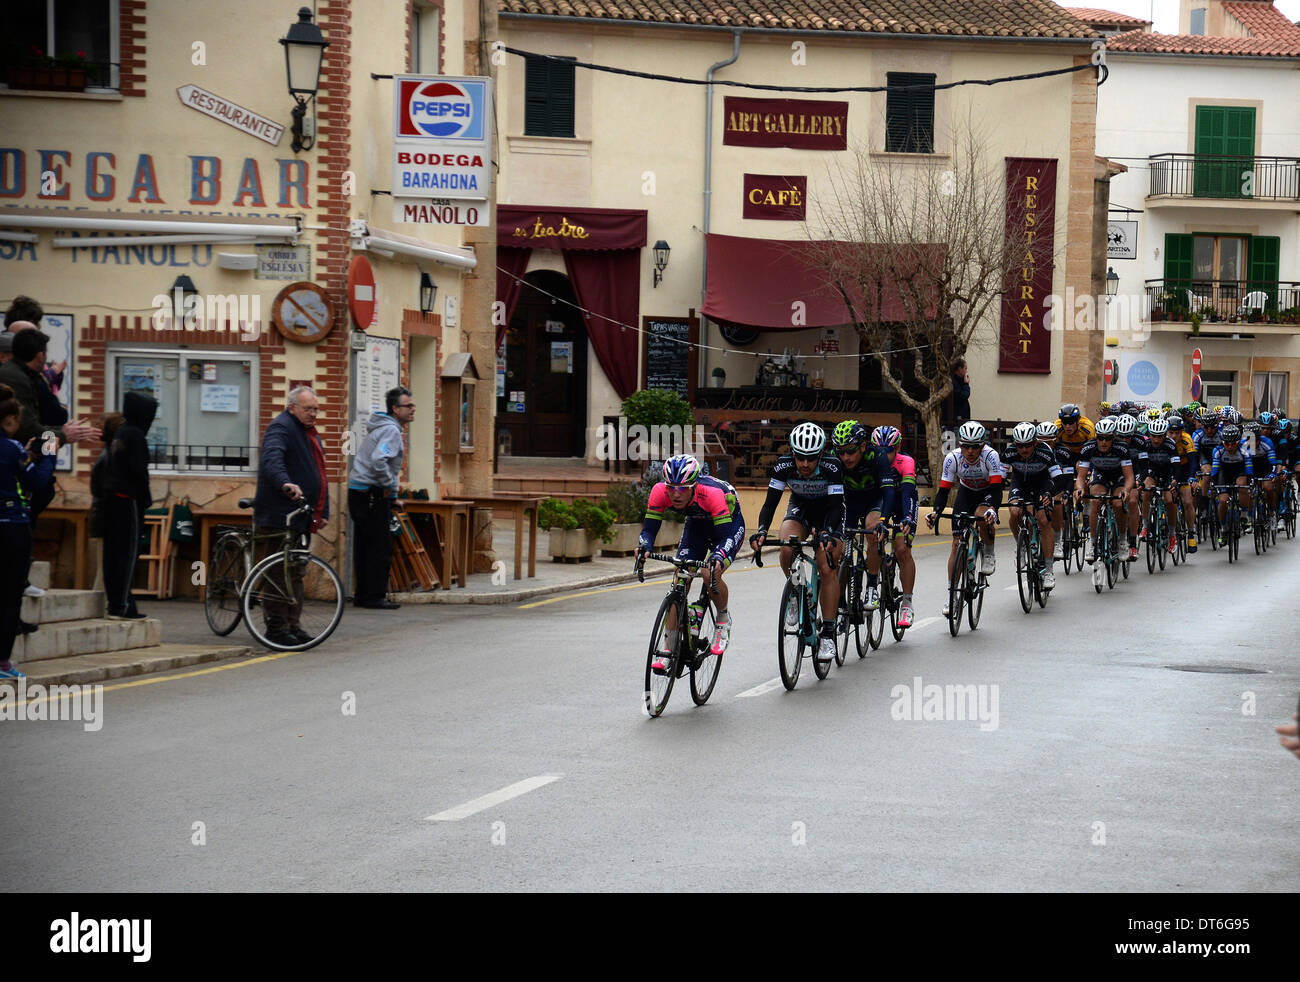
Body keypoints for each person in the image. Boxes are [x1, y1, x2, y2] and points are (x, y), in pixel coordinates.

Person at [636, 454, 746, 666]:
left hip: (727, 525)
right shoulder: (660, 491)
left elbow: (723, 536)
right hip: (696, 525)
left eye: (683, 488)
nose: (675, 494)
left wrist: (716, 557)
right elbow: (649, 530)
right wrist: (644, 547)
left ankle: (723, 619)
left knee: (709, 572)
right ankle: (668, 648)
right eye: (671, 487)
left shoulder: (712, 494)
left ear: (694, 486)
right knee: (680, 578)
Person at [751, 422, 846, 664]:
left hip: (829, 511)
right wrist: (761, 531)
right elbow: (770, 504)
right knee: (785, 547)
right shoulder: (783, 465)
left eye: (811, 458)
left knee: (826, 566)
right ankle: (796, 593)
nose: (805, 464)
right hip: (801, 506)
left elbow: (836, 507)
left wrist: (826, 532)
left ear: (821, 454)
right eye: (800, 458)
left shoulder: (832, 466)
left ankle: (827, 633)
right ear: (793, 453)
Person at [252, 386, 330, 648]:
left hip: (301, 514)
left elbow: (320, 473)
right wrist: (285, 483)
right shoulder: (281, 428)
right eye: (308, 409)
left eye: (316, 409)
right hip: (279, 514)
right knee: (277, 571)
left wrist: (324, 510)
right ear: (292, 407)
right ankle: (276, 626)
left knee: (296, 571)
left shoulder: (309, 434)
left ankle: (292, 625)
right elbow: (272, 460)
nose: (313, 414)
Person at [0, 327, 99, 525]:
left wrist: (57, 437)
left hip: (36, 450)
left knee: (44, 488)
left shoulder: (30, 376)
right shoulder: (16, 378)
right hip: (13, 507)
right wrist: (61, 436)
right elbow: (29, 428)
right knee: (42, 487)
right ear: (39, 355)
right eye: (45, 353)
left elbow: (52, 414)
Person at [1, 383, 56, 679]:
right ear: (9, 421)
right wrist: (47, 455)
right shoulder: (12, 449)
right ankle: (3, 663)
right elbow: (36, 482)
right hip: (12, 525)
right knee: (9, 595)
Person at [926, 420, 1002, 618]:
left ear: (982, 445)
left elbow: (996, 489)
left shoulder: (991, 456)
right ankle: (952, 595)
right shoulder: (952, 458)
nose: (970, 451)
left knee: (982, 515)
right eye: (966, 446)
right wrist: (936, 512)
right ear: (960, 445)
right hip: (966, 493)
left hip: (986, 493)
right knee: (956, 543)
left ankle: (989, 553)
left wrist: (992, 509)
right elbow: (943, 490)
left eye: (975, 446)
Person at [348, 386, 415, 610]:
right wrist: (387, 488)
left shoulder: (386, 427)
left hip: (363, 490)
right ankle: (373, 597)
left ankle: (364, 595)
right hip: (369, 492)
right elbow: (379, 461)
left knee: (366, 545)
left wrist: (393, 495)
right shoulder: (391, 431)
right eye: (408, 406)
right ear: (396, 409)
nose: (413, 409)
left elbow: (389, 466)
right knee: (378, 547)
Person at [101, 392, 157, 619]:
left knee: (113, 553)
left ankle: (116, 601)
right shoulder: (135, 436)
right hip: (128, 500)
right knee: (128, 553)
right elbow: (138, 472)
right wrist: (146, 498)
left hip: (112, 498)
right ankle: (123, 605)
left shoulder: (120, 433)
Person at [832, 420, 894, 612]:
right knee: (840, 552)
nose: (845, 457)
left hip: (874, 501)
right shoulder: (834, 459)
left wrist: (883, 521)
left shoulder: (877, 456)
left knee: (872, 530)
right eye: (841, 452)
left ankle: (872, 586)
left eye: (850, 451)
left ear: (863, 446)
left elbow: (889, 492)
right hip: (848, 504)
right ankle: (840, 603)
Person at [1003, 421, 1060, 590]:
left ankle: (1048, 569)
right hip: (1020, 483)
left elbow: (1058, 479)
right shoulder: (1009, 452)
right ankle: (1020, 547)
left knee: (1043, 519)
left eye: (1028, 445)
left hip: (1042, 483)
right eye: (1020, 446)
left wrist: (1049, 493)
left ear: (1035, 443)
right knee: (1014, 512)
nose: (1024, 450)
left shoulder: (1045, 451)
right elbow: (998, 478)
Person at [873, 425, 918, 627]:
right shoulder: (870, 462)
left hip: (903, 503)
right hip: (882, 501)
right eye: (879, 450)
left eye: (888, 450)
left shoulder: (906, 462)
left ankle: (907, 603)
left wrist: (908, 517)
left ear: (897, 447)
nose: (883, 455)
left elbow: (908, 492)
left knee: (901, 549)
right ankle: (883, 568)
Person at [950, 358, 971, 425]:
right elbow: (964, 395)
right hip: (958, 419)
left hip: (963, 418)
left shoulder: (960, 380)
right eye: (965, 368)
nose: (966, 371)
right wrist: (966, 384)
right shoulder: (953, 382)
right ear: (959, 369)